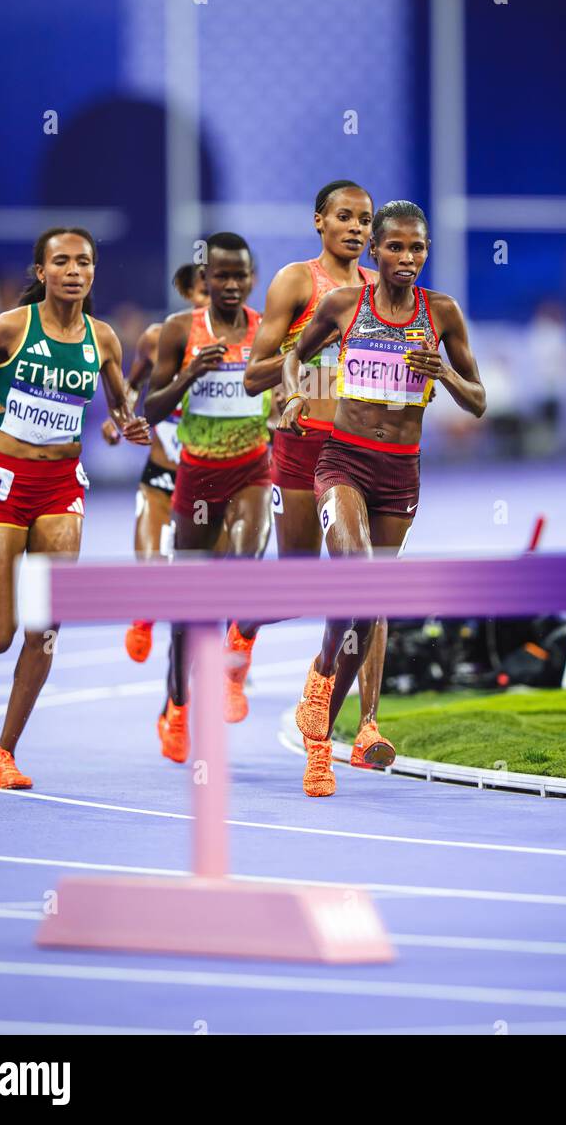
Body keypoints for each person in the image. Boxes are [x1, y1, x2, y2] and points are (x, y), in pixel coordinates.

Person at [281, 201, 485, 796]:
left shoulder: (441, 314)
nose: (406, 258)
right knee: (358, 584)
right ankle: (323, 712)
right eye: (394, 247)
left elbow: (478, 400)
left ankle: (334, 713)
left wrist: (443, 374)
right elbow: (294, 357)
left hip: (401, 475)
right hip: (342, 462)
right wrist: (294, 397)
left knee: (370, 606)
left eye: (417, 248)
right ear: (375, 253)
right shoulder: (345, 304)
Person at [0, 227, 150, 790]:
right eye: (62, 261)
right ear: (41, 272)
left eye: (84, 261)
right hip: (5, 484)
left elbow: (120, 399)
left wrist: (126, 422)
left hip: (61, 488)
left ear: (93, 272)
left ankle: (4, 752)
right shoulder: (12, 327)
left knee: (47, 624)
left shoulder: (103, 338)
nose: (74, 270)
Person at [243, 180, 394, 770]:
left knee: (370, 584)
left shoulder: (385, 292)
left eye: (365, 219)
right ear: (319, 222)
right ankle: (245, 620)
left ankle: (366, 726)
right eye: (344, 217)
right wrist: (294, 385)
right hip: (302, 451)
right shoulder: (297, 282)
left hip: (361, 456)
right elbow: (256, 372)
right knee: (303, 584)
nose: (356, 228)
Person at [144, 233, 272, 761]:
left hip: (252, 469)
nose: (231, 284)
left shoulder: (268, 330)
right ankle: (176, 704)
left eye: (240, 275)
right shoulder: (180, 331)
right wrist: (190, 374)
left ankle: (233, 661)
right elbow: (149, 410)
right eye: (221, 275)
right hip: (196, 475)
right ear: (206, 280)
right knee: (189, 607)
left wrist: (287, 401)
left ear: (251, 279)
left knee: (247, 563)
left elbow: (287, 381)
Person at [100, 264, 209, 663]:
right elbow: (130, 385)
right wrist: (119, 420)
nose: (209, 301)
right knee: (151, 569)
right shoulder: (155, 339)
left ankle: (222, 652)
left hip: (212, 483)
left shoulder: (245, 344)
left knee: (208, 582)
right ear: (187, 295)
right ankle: (145, 612)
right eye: (201, 293)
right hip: (161, 477)